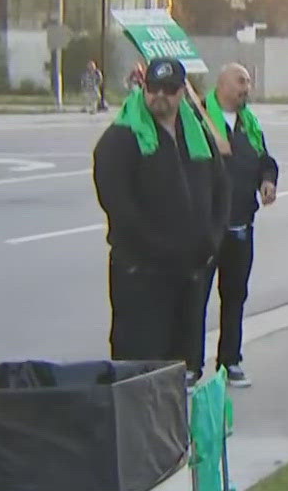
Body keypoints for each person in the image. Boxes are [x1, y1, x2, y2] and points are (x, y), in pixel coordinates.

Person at [93, 56, 230, 379]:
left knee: (184, 367)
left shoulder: (196, 133)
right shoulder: (121, 139)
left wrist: (211, 241)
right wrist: (162, 249)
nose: (160, 96)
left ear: (183, 92)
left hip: (190, 274)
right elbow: (120, 207)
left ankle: (178, 426)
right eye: (153, 88)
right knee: (141, 367)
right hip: (142, 274)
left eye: (169, 89)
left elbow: (221, 190)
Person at [210, 63, 278, 387]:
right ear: (222, 84)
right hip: (206, 228)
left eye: (249, 82)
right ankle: (191, 364)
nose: (246, 88)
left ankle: (230, 360)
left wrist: (268, 180)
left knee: (235, 295)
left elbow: (265, 159)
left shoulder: (249, 124)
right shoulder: (200, 120)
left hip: (241, 224)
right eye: (240, 81)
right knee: (196, 298)